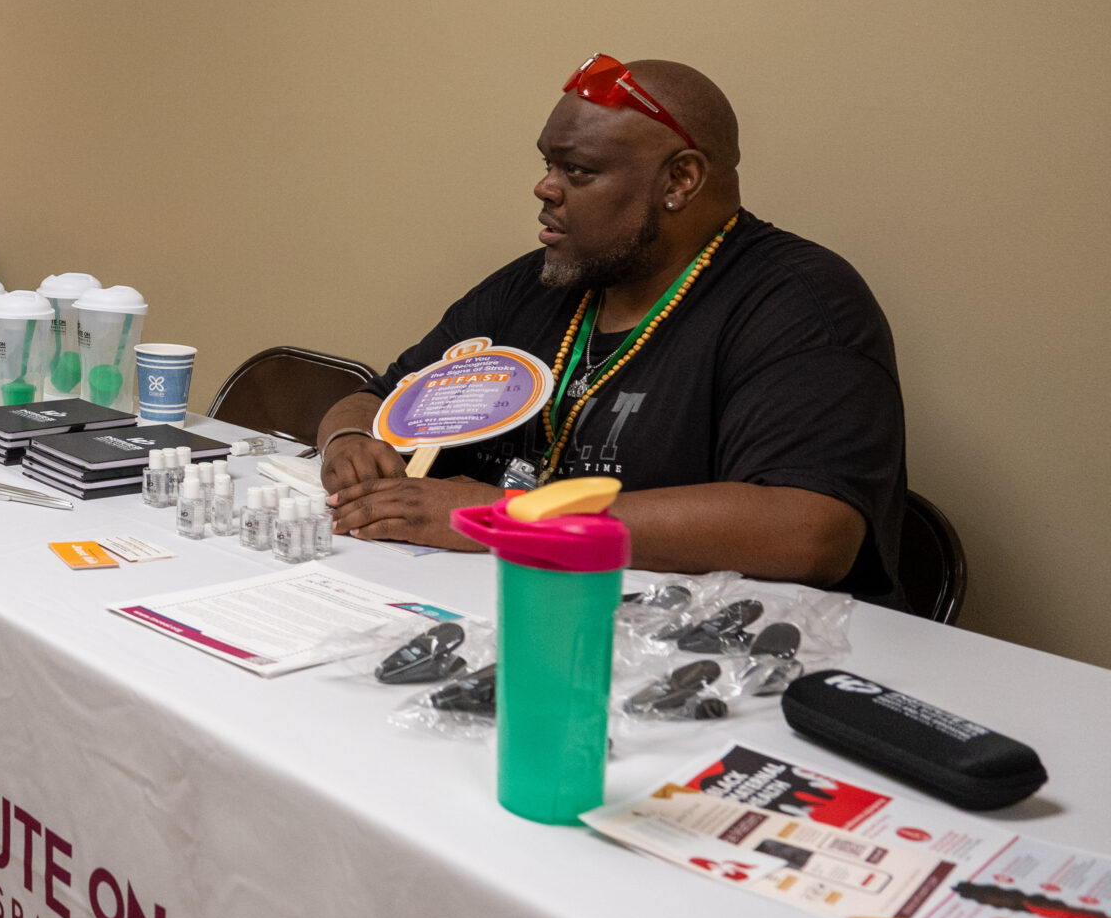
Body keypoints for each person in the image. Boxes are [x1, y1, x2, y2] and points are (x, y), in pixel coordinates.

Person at [316, 55, 905, 598]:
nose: (545, 188)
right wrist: (348, 444)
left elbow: (810, 532)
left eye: (578, 170)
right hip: (495, 604)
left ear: (680, 181)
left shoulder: (798, 302)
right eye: (549, 163)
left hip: (704, 655)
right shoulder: (537, 283)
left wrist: (507, 520)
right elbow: (372, 400)